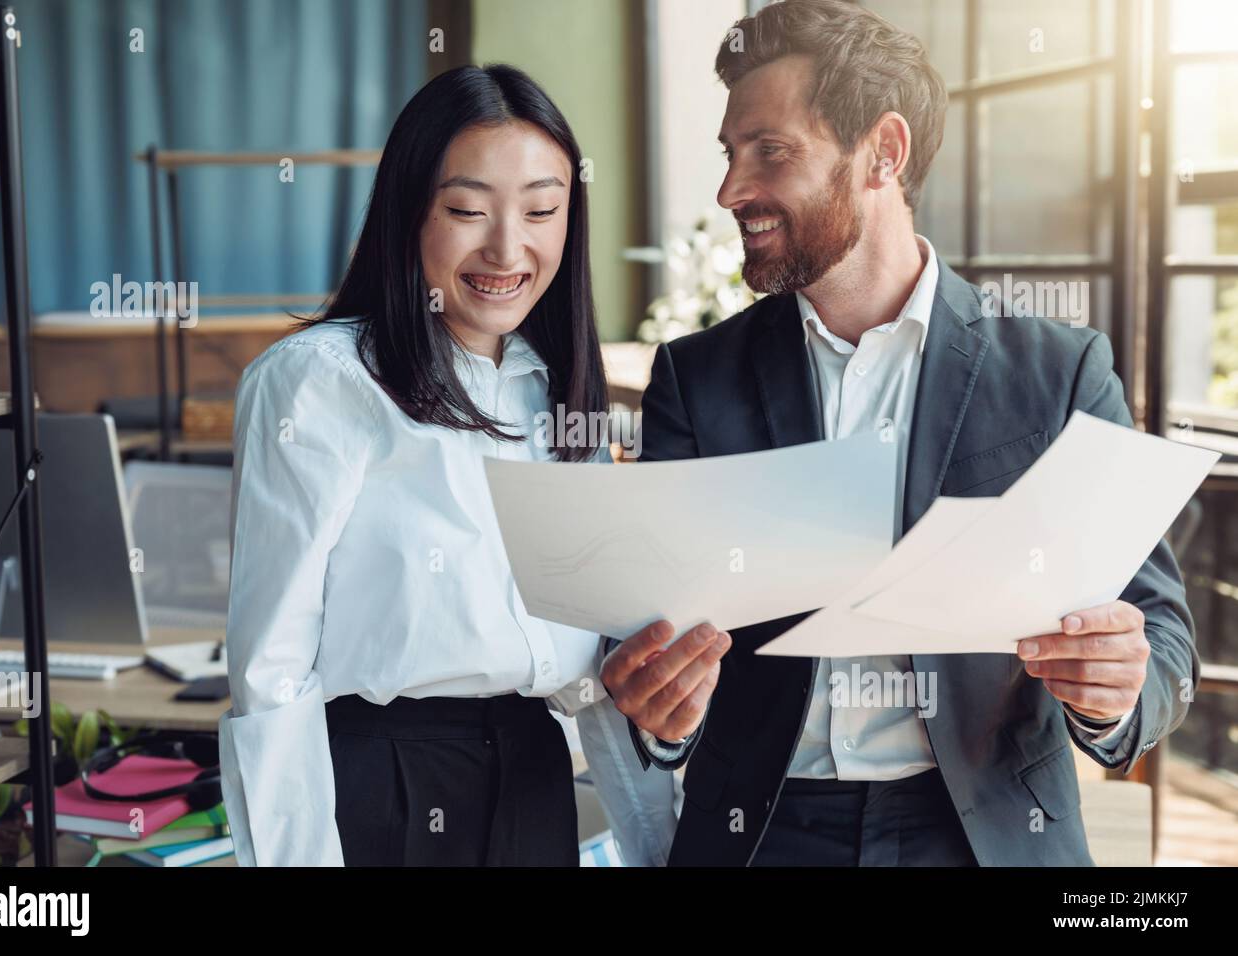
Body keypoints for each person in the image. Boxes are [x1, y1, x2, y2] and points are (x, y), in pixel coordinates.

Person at [601, 0, 1198, 866]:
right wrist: (656, 713)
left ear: (884, 151)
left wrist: (1115, 692)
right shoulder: (696, 380)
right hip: (761, 831)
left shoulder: (1057, 371)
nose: (732, 190)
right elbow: (646, 634)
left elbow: (1160, 627)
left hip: (980, 832)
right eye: (731, 155)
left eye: (771, 152)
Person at [217, 63, 691, 866]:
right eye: (468, 209)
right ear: (410, 212)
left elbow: (589, 677)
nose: (508, 247)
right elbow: (270, 675)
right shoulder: (322, 382)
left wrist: (663, 794)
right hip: (382, 796)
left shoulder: (559, 389)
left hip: (533, 782)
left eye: (542, 209)